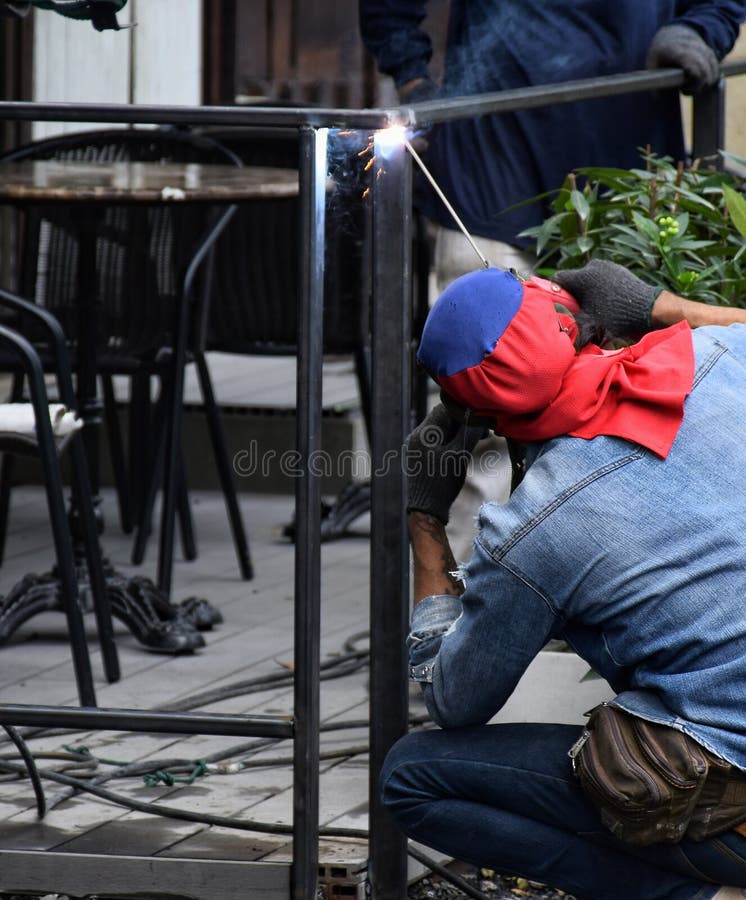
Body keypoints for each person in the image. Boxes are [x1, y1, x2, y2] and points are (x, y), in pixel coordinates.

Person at [382, 259, 746, 899]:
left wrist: (425, 524)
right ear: (581, 320)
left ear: (480, 417)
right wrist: (662, 306)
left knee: (409, 777)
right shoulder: (721, 350)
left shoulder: (537, 528)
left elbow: (453, 700)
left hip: (733, 806)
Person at [359, 1, 746, 286]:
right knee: (485, 362)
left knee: (628, 371)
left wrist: (700, 29)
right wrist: (411, 76)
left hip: (631, 173)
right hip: (491, 166)